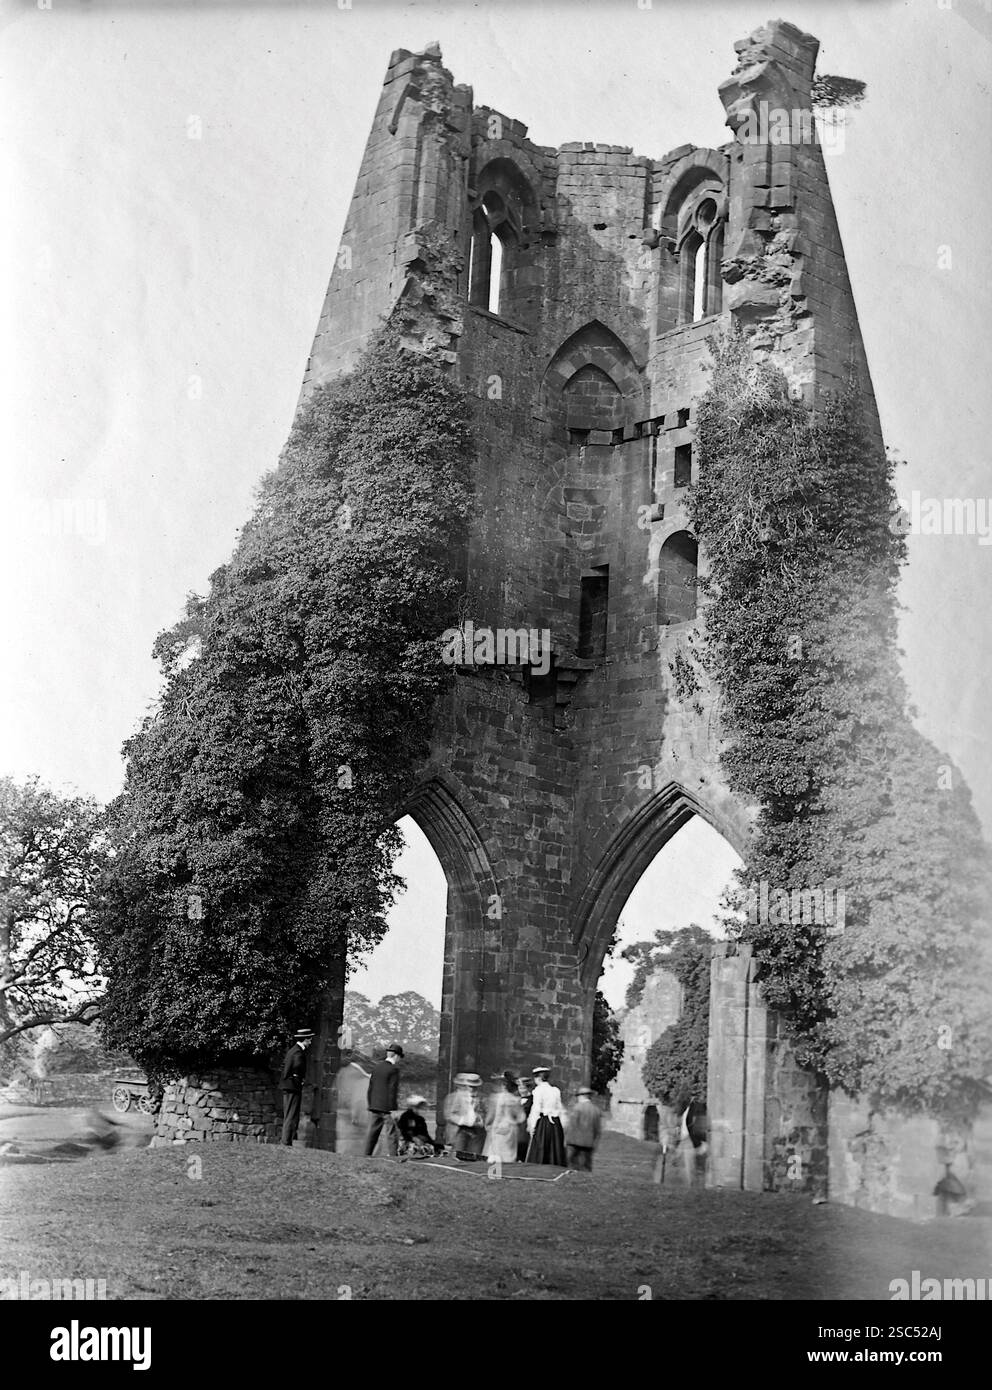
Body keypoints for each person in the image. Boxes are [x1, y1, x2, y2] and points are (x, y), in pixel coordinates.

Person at [363, 1043, 404, 1157]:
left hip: (374, 1104)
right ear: (396, 1056)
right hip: (386, 1107)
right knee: (391, 1132)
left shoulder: (376, 1067)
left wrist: (370, 1103)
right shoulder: (394, 1069)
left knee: (372, 1132)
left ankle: (367, 1154)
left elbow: (371, 1087)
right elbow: (392, 1090)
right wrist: (393, 1108)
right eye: (399, 1057)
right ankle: (393, 1156)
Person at [279, 1028, 314, 1147]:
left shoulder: (295, 1051)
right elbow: (293, 1069)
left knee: (291, 1114)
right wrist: (299, 1080)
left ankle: (288, 1140)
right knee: (291, 1114)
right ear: (304, 1039)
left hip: (292, 1086)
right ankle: (286, 1141)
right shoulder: (297, 1053)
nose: (310, 1042)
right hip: (292, 1087)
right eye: (309, 1039)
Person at [525, 1065, 566, 1166]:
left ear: (538, 1078)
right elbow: (560, 1108)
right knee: (554, 1143)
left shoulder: (538, 1090)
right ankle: (554, 1162)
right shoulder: (555, 1090)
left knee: (541, 1144)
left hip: (544, 1121)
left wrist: (532, 1125)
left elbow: (536, 1109)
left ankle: (540, 1163)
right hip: (555, 1122)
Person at [484, 1071, 525, 1164]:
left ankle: (495, 1172)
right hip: (510, 1129)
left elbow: (491, 1115)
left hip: (498, 1127)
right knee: (508, 1154)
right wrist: (513, 1122)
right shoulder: (515, 1099)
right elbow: (522, 1117)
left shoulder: (495, 1098)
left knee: (495, 1153)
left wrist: (487, 1125)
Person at [443, 1072, 485, 1160]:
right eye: (470, 1086)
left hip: (476, 1131)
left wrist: (480, 1119)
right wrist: (464, 1121)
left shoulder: (481, 1097)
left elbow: (484, 1111)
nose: (472, 1088)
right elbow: (448, 1114)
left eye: (475, 1086)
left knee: (475, 1155)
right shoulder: (453, 1097)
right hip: (459, 1130)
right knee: (458, 1154)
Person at [564, 1085, 602, 1172]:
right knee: (586, 1166)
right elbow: (598, 1129)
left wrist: (566, 1139)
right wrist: (595, 1142)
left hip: (574, 1141)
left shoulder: (577, 1108)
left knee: (571, 1165)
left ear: (581, 1096)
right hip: (588, 1142)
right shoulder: (596, 1110)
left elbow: (571, 1125)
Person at [516, 1076, 534, 1163]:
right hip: (516, 1126)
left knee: (523, 1144)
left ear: (528, 1088)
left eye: (522, 1088)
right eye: (519, 1087)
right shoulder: (516, 1099)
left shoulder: (532, 1100)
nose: (520, 1090)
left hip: (525, 1127)